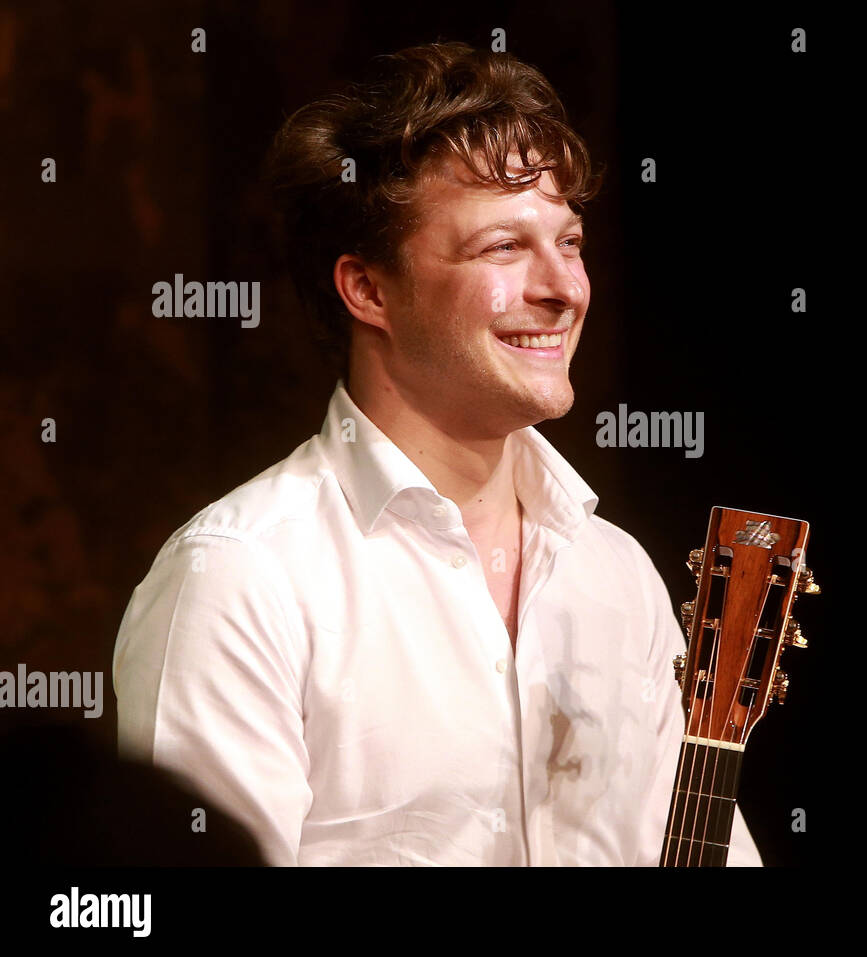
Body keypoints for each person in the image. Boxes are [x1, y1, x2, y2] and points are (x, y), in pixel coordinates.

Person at [112, 41, 762, 866]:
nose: (562, 287)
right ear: (369, 289)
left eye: (568, 241)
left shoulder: (615, 574)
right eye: (502, 248)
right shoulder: (241, 578)